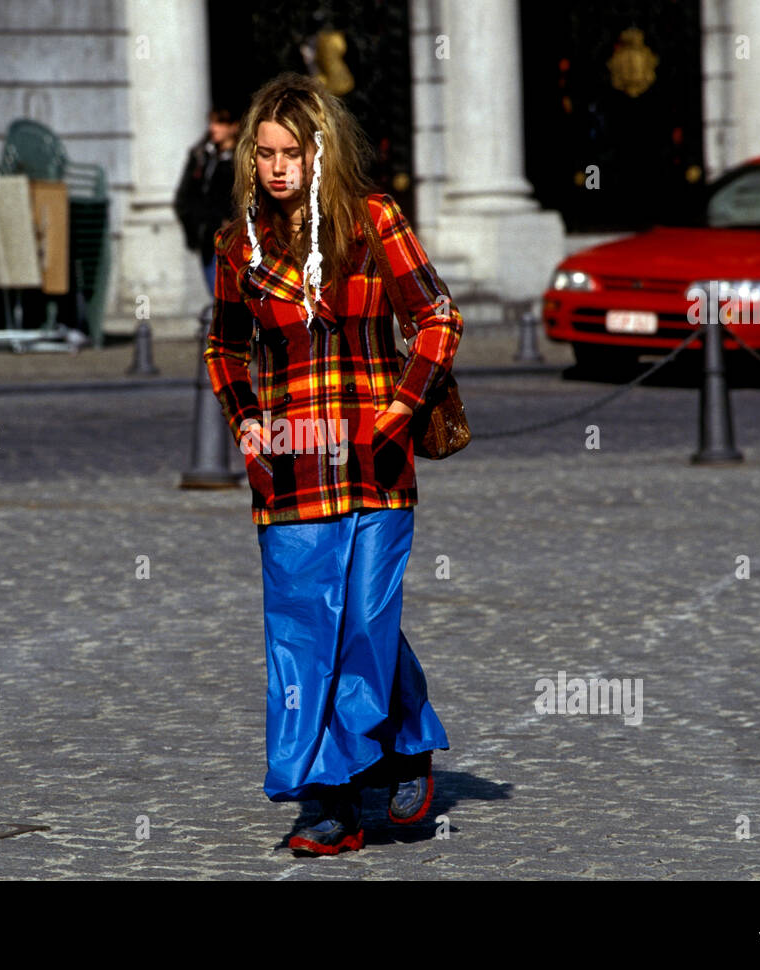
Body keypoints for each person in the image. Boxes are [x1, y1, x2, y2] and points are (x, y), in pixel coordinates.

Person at [204, 72, 462, 856]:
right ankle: (330, 801)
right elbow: (223, 348)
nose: (277, 167)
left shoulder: (375, 222)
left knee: (366, 623)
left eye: (292, 153)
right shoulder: (239, 244)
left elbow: (438, 319)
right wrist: (247, 426)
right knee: (302, 634)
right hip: (288, 474)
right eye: (266, 153)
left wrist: (402, 408)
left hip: (376, 463)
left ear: (321, 153)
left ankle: (404, 750)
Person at [173, 104, 240, 295]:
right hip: (209, 240)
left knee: (235, 303)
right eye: (212, 122)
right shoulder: (202, 156)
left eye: (220, 123)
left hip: (237, 242)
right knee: (219, 298)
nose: (213, 128)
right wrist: (196, 228)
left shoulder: (243, 158)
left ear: (234, 126)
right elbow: (184, 198)